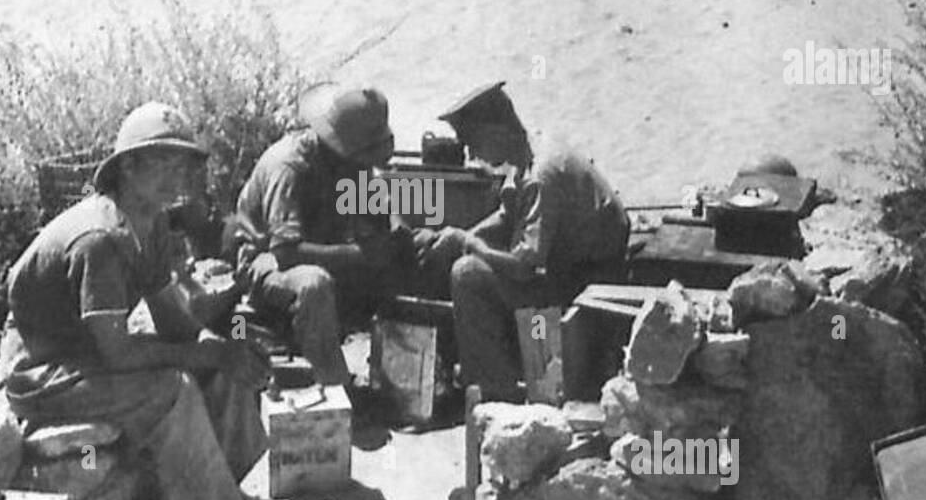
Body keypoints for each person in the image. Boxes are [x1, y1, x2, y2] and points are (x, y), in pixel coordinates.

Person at [1, 102, 300, 500]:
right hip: (45, 373)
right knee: (170, 389)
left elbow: (171, 320)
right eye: (158, 161)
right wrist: (200, 357)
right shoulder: (100, 238)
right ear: (128, 168)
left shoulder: (152, 223)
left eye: (180, 163)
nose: (174, 175)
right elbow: (118, 354)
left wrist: (226, 350)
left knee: (222, 368)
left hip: (90, 357)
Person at [419, 82, 631, 401]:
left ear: (496, 131)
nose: (471, 154)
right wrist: (465, 234)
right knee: (474, 259)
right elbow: (509, 212)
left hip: (586, 280)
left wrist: (468, 244)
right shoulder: (531, 150)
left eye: (472, 142)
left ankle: (495, 391)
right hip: (578, 263)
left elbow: (523, 268)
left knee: (468, 274)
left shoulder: (539, 175)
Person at [229, 84, 409, 386]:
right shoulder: (289, 167)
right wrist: (361, 256)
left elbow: (380, 215)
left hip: (321, 251)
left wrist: (395, 231)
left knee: (408, 255)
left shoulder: (350, 163)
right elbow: (285, 252)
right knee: (314, 283)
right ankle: (335, 390)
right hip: (264, 263)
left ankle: (398, 382)